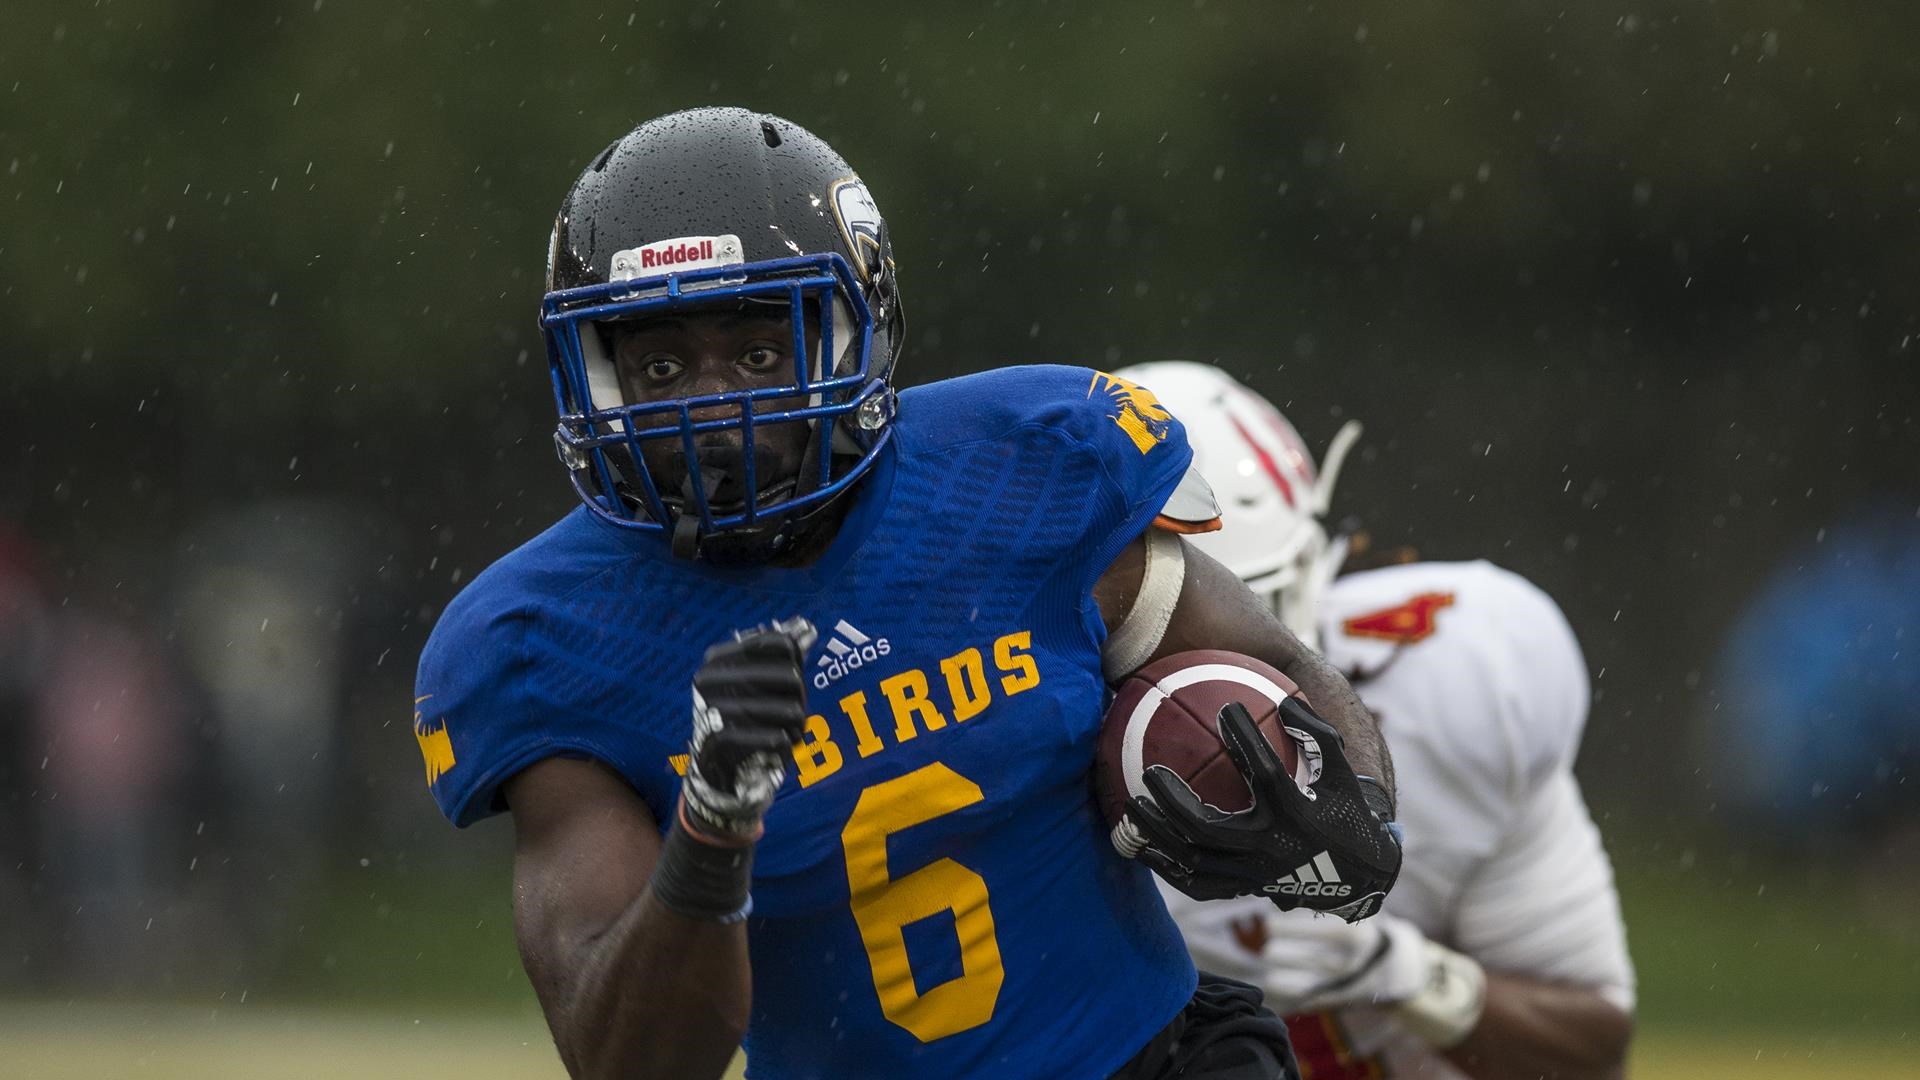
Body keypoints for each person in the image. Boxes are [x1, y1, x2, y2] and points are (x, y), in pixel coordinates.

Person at [413, 108, 1403, 1080]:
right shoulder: (542, 639)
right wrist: (713, 826)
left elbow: (1279, 670)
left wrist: (1358, 817)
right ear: (594, 376)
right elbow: (626, 1060)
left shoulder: (1029, 469)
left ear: (857, 327)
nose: (715, 407)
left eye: (760, 353)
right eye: (662, 365)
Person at [1116, 361, 1635, 1080]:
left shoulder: (1459, 686)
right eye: (1139, 633)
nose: (1196, 677)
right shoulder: (987, 762)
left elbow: (1591, 1052)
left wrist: (1404, 973)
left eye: (1228, 617)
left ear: (1302, 587)